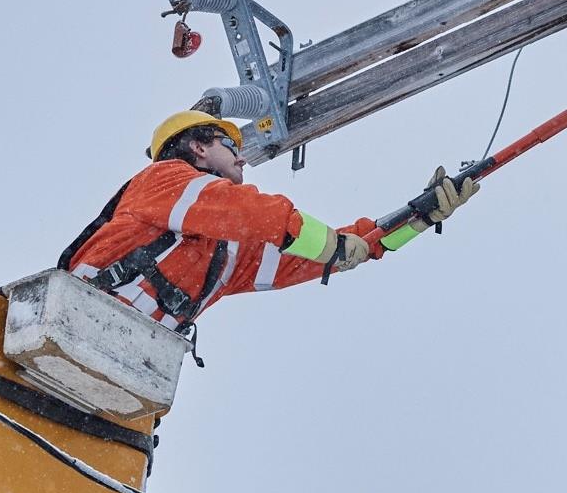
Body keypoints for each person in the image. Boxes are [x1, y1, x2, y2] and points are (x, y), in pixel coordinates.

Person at [58, 110, 477, 334]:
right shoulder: (161, 180)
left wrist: (419, 218)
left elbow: (325, 256)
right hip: (75, 320)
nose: (242, 157)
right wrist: (331, 244)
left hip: (121, 358)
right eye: (229, 144)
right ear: (198, 147)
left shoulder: (229, 253)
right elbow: (253, 213)